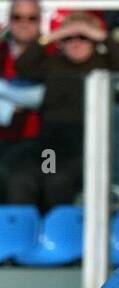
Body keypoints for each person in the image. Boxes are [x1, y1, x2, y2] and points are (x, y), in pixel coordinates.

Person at [7, 11, 119, 207]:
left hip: (84, 142)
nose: (76, 42)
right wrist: (52, 36)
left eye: (83, 37)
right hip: (50, 142)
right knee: (20, 179)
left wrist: (99, 34)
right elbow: (23, 65)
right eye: (69, 37)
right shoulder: (54, 63)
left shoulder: (103, 63)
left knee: (56, 180)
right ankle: (23, 234)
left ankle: (57, 233)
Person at [0, 0, 42, 170]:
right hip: (4, 140)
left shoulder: (53, 51)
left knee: (52, 176)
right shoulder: (1, 50)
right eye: (17, 17)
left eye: (31, 18)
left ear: (40, 21)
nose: (24, 23)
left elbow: (47, 97)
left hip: (47, 145)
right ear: (9, 20)